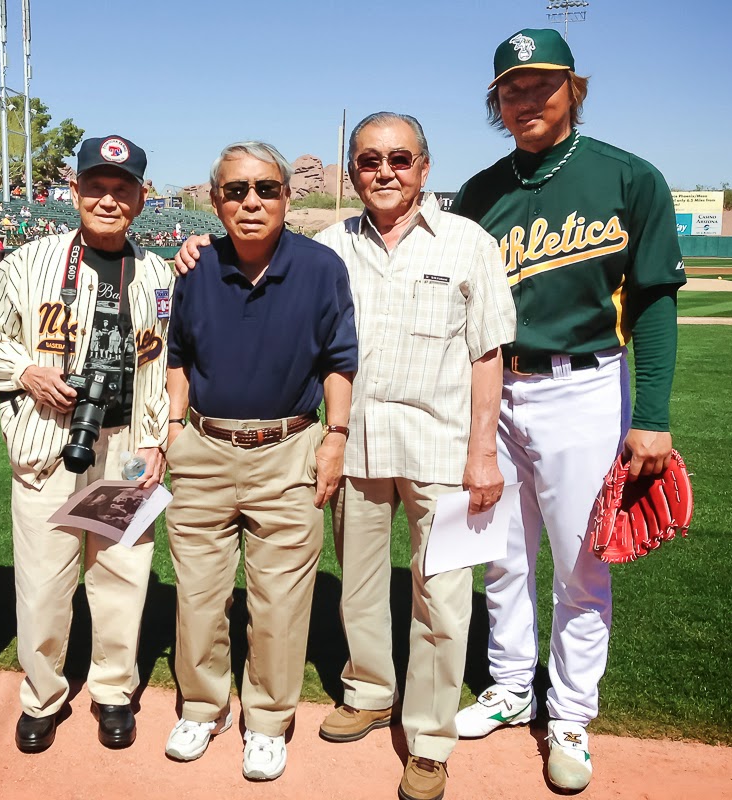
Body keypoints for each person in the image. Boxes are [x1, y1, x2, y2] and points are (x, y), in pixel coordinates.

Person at [173, 117, 516, 800]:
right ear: (353, 170)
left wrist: (484, 451)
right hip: (354, 447)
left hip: (444, 448)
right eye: (368, 160)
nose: (383, 171)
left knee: (442, 600)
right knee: (358, 591)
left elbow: (488, 354)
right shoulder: (329, 247)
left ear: (422, 166)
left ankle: (428, 738)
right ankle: (368, 690)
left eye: (398, 158)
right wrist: (194, 247)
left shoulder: (467, 241)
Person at [449, 29, 686, 793]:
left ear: (572, 89)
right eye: (511, 89)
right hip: (494, 389)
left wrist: (650, 415)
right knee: (501, 553)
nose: (526, 99)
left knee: (581, 563)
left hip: (584, 386)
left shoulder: (627, 178)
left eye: (541, 84)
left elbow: (651, 302)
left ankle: (571, 715)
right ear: (496, 101)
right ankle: (512, 685)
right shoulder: (479, 193)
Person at [0, 134, 173, 755]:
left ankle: (113, 691)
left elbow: (166, 365)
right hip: (48, 443)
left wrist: (159, 440)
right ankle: (43, 696)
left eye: (121, 189)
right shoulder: (27, 264)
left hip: (127, 446)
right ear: (75, 190)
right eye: (96, 187)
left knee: (120, 573)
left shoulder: (159, 273)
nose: (108, 199)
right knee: (44, 581)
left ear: (140, 199)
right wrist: (28, 373)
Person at [163, 141, 357, 782]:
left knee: (280, 600)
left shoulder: (321, 266)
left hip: (290, 448)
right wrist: (172, 431)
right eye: (237, 190)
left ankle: (269, 720)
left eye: (266, 188)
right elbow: (177, 358)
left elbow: (338, 360)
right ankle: (202, 705)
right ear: (215, 200)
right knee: (198, 594)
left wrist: (335, 439)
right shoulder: (191, 267)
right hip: (204, 447)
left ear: (286, 195)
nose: (252, 201)